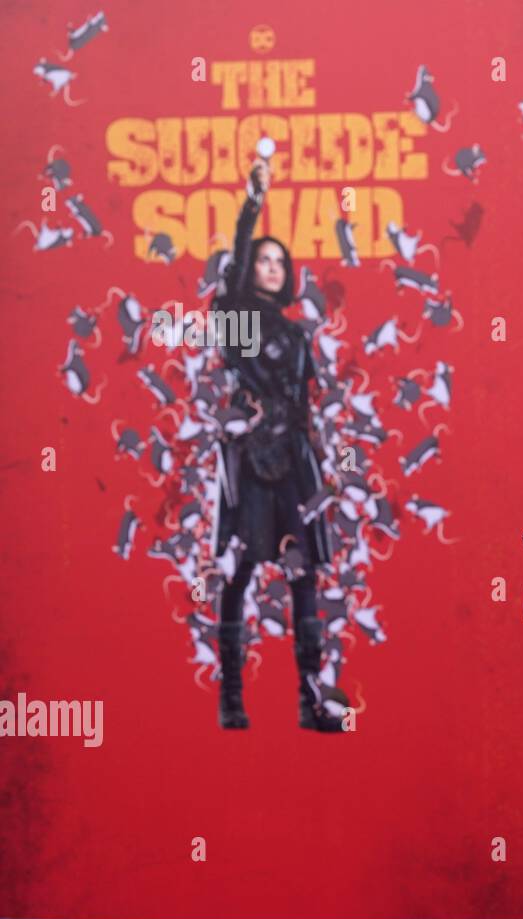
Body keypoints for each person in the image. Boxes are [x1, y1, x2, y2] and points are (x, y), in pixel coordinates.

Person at [211, 155, 349, 733]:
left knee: (303, 576)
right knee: (237, 574)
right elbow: (237, 265)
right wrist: (252, 201)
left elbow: (306, 400)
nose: (269, 266)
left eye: (277, 260)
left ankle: (311, 700)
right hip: (250, 462)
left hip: (294, 461)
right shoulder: (234, 316)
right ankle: (232, 701)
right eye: (260, 260)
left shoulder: (294, 331)